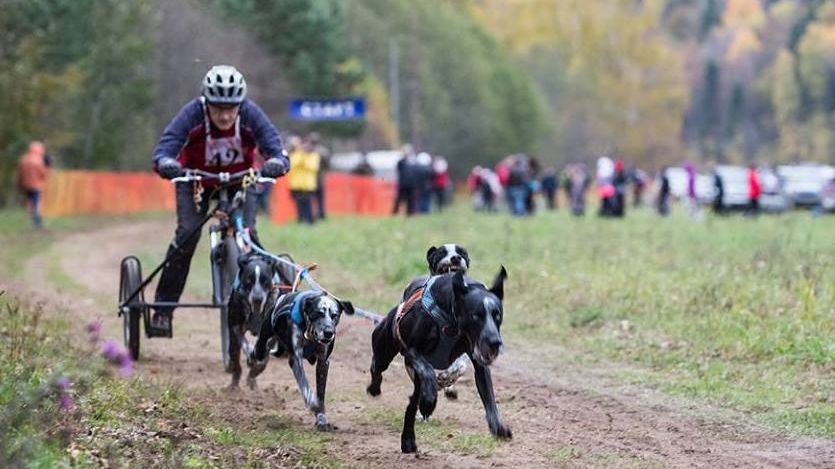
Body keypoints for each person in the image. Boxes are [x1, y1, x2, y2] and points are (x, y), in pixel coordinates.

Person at [150, 65, 289, 332]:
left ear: (240, 104)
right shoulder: (192, 113)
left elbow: (276, 148)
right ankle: (163, 310)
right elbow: (166, 147)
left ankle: (268, 309)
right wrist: (166, 162)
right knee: (187, 236)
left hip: (241, 180)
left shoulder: (250, 114)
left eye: (231, 108)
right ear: (206, 103)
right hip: (195, 181)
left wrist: (276, 162)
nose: (225, 115)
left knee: (248, 238)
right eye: (217, 108)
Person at [16, 141, 50, 229]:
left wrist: (19, 185)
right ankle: (37, 222)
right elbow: (43, 175)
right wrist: (48, 166)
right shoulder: (39, 161)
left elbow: (19, 173)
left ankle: (31, 220)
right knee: (36, 204)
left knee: (30, 202)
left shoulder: (23, 159)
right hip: (36, 186)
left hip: (25, 185)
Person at [288, 135, 321, 224]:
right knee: (299, 203)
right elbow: (292, 165)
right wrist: (302, 156)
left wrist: (303, 160)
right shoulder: (295, 155)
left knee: (308, 203)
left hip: (308, 185)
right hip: (296, 184)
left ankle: (310, 220)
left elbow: (313, 167)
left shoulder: (314, 155)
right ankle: (301, 219)